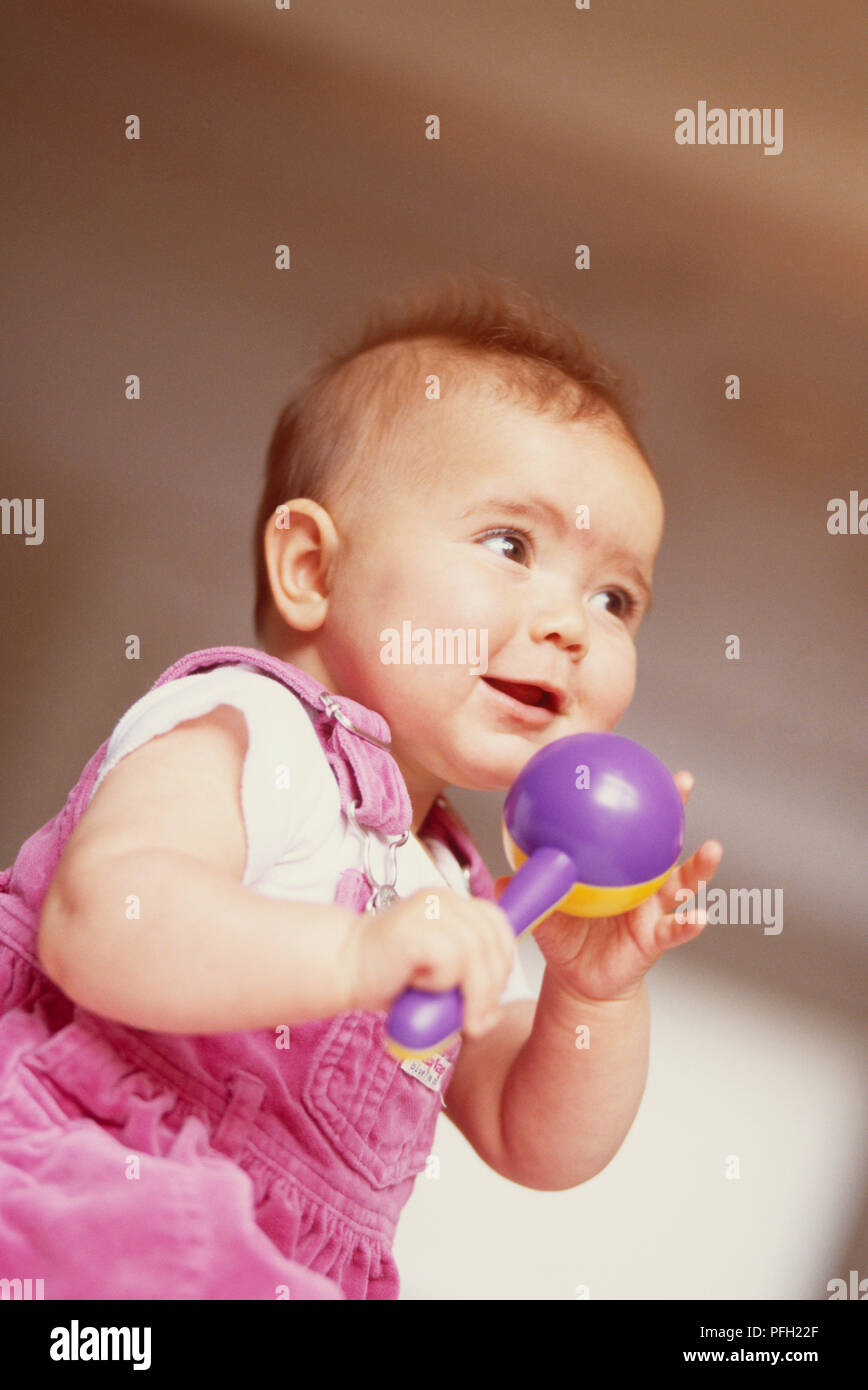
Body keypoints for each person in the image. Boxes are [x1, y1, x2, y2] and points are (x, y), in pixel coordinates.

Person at [0, 273, 723, 1299]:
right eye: (510, 543)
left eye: (615, 597)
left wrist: (588, 991)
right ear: (310, 567)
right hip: (92, 1203)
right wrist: (353, 952)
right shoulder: (253, 730)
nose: (572, 623)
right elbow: (103, 919)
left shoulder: (439, 873)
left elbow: (533, 1138)